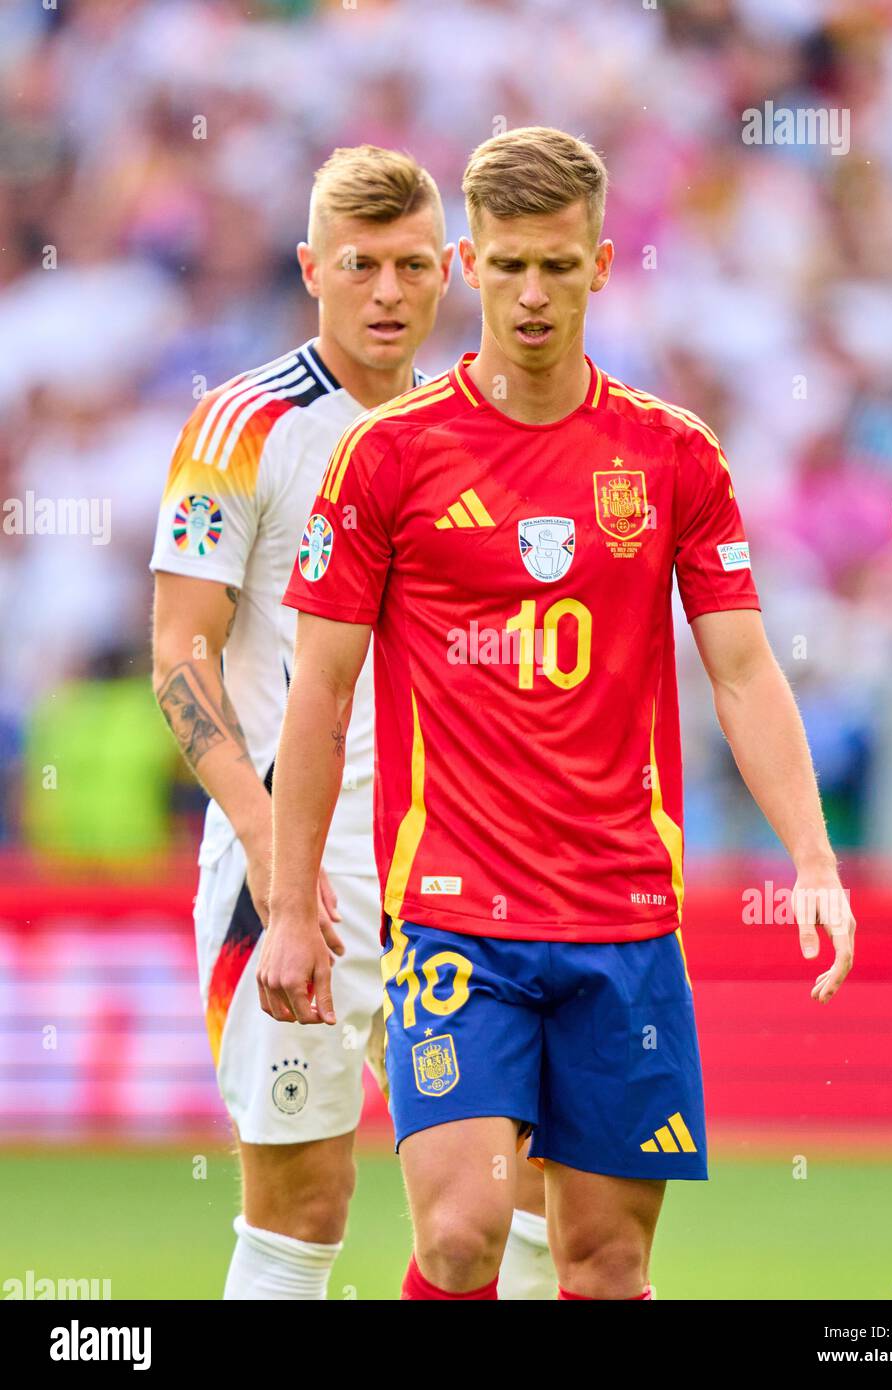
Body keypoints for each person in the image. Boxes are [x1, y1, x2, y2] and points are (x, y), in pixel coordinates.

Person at [260, 126, 855, 1301]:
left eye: (560, 267)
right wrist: (287, 906)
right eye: (513, 267)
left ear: (603, 263)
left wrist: (814, 855)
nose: (534, 295)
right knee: (463, 1234)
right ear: (473, 265)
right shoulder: (388, 457)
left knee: (604, 1258)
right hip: (452, 922)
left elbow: (741, 668)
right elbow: (318, 691)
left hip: (625, 922)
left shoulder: (672, 455)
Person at [152, 144, 549, 1301]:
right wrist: (277, 854)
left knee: (513, 1202)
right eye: (362, 265)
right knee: (300, 1214)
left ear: (454, 270)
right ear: (311, 267)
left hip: (459, 866)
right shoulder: (241, 426)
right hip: (295, 865)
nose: (388, 292)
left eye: (414, 266)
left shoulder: (492, 424)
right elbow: (181, 656)